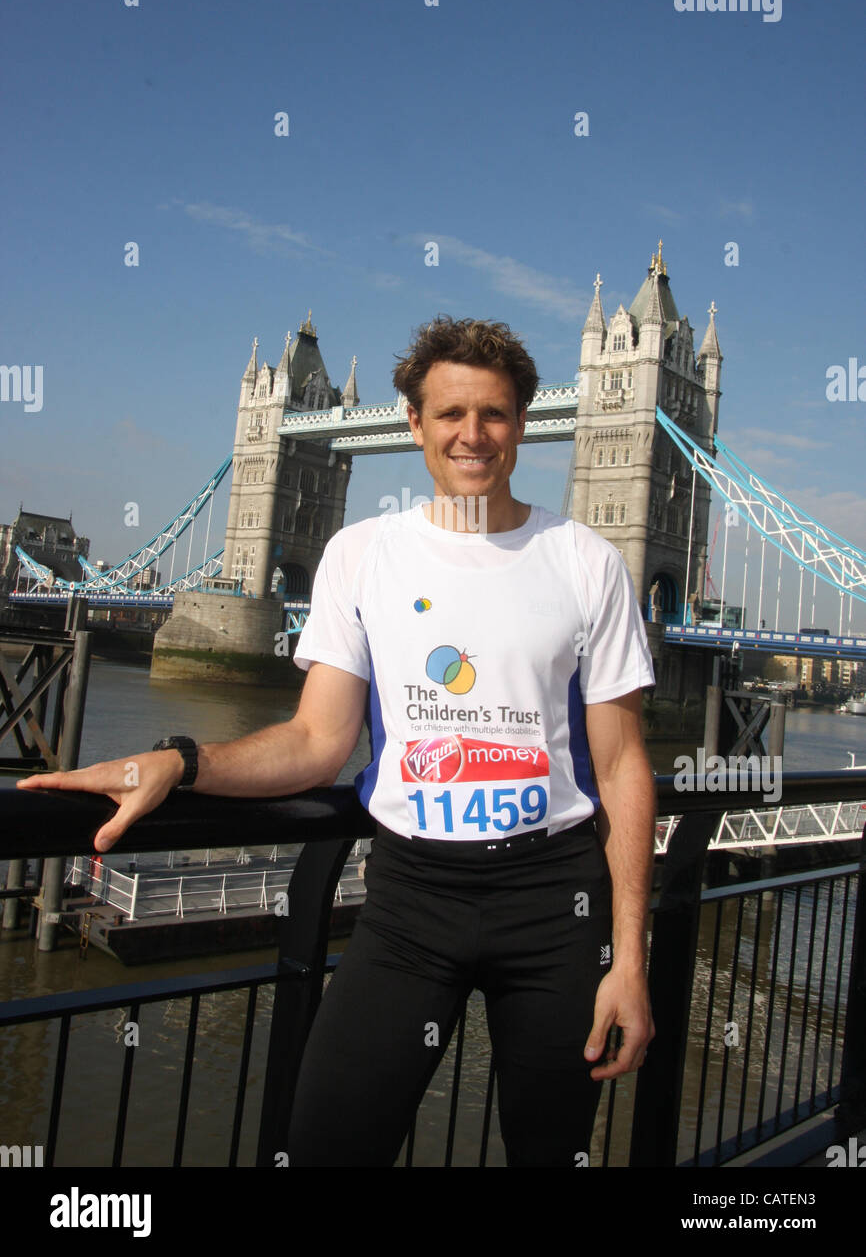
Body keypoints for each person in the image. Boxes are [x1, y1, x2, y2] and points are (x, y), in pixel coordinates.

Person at [18, 316, 657, 1168]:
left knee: (552, 1153)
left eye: (496, 415)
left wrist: (631, 959)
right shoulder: (360, 556)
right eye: (451, 414)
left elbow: (619, 766)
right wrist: (181, 760)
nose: (473, 435)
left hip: (554, 901)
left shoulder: (585, 560)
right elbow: (318, 741)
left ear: (525, 423)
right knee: (326, 1144)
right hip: (409, 899)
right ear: (413, 424)